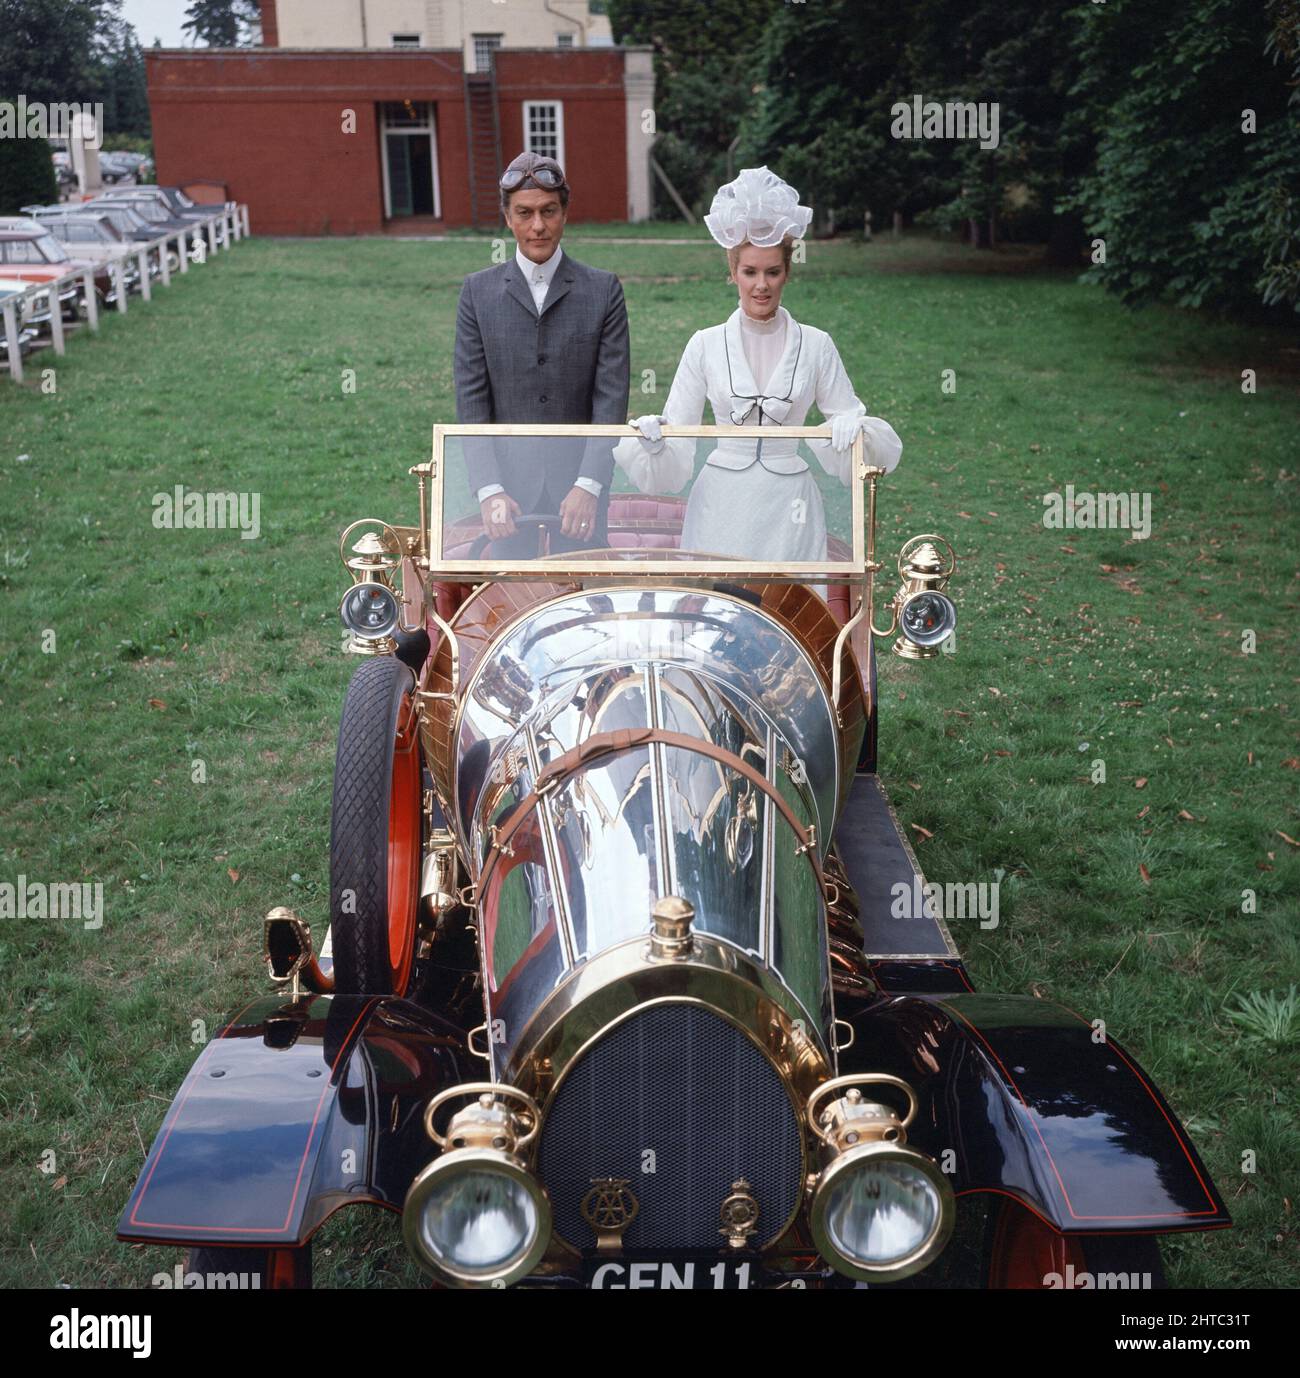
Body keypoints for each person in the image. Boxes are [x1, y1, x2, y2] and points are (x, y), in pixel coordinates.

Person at [613, 166, 901, 563]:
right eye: (749, 272)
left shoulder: (816, 345)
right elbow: (677, 437)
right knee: (717, 607)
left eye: (772, 272)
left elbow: (855, 429)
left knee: (790, 612)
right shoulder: (704, 344)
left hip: (790, 508)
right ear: (733, 273)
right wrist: (655, 438)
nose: (761, 285)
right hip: (720, 503)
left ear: (787, 272)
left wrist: (851, 427)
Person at [454, 150, 630, 554]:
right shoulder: (477, 293)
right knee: (508, 603)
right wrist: (489, 488)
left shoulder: (603, 290)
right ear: (507, 216)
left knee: (588, 606)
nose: (537, 226)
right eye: (524, 213)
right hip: (508, 494)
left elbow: (611, 397)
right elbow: (471, 397)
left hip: (580, 490)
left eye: (549, 211)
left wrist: (588, 484)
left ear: (565, 213)